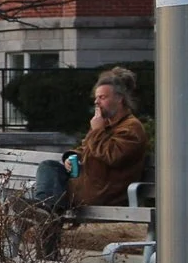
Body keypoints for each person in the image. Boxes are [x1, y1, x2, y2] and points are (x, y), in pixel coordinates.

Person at [28, 67, 149, 217]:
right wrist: (71, 158)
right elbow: (86, 148)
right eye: (96, 98)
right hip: (88, 186)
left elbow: (113, 156)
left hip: (104, 193)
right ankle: (46, 211)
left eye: (102, 98)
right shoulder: (106, 124)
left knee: (51, 188)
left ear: (120, 99)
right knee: (49, 166)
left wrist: (97, 131)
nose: (96, 102)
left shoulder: (131, 128)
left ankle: (45, 212)